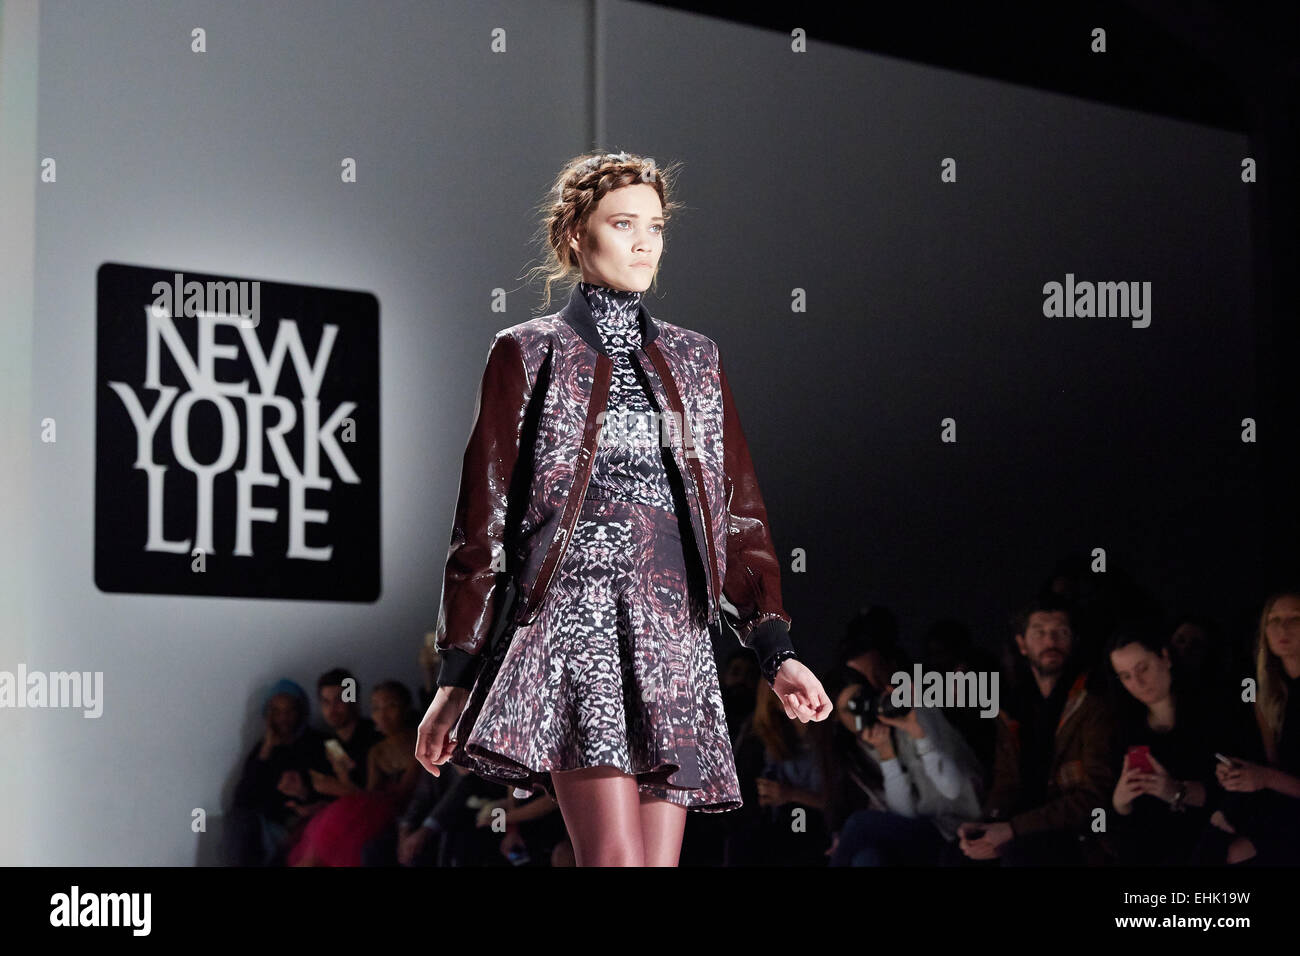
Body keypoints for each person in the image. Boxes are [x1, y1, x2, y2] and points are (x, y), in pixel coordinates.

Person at [415, 150, 831, 866]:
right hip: (576, 628)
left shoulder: (696, 359)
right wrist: (457, 674)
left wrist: (775, 651)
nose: (644, 243)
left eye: (656, 227)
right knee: (614, 860)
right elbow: (482, 523)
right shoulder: (528, 352)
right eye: (622, 223)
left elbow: (738, 517)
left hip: (673, 634)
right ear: (576, 234)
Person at [955, 592, 1116, 865]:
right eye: (1039, 632)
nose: (1050, 641)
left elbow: (1094, 795)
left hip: (1078, 835)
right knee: (955, 854)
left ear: (1073, 641)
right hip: (1021, 827)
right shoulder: (1014, 707)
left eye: (1060, 632)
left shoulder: (1093, 702)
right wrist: (986, 827)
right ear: (1022, 644)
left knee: (1022, 856)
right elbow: (1006, 783)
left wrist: (1012, 830)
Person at [1104, 619, 1241, 865]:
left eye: (1142, 668)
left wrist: (1177, 792)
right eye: (1126, 676)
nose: (1137, 682)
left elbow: (1236, 788)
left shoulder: (1214, 713)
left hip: (1206, 848)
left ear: (1165, 658)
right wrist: (1121, 801)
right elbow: (1113, 824)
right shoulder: (1121, 731)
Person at [288, 681, 422, 866]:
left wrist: (340, 789)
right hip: (363, 808)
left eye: (390, 706)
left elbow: (398, 797)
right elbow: (369, 794)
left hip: (391, 812)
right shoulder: (373, 750)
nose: (382, 714)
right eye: (376, 708)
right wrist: (340, 779)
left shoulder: (416, 743)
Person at [1213, 588, 1300, 864]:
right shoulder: (1268, 694)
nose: (1282, 628)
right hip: (1282, 806)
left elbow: (1271, 776)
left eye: (1295, 618)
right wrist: (1239, 774)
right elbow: (1274, 766)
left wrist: (1263, 778)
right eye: (1273, 620)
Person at [222, 678, 331, 865]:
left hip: (304, 821)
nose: (283, 718)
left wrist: (303, 793)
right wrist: (266, 750)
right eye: (276, 711)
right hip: (268, 824)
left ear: (300, 712)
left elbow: (337, 791)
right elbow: (241, 800)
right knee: (239, 822)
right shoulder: (263, 748)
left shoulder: (320, 743)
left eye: (289, 711)